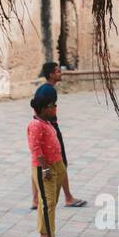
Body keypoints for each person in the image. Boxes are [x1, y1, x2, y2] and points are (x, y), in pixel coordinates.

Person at [29, 61, 86, 210]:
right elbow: (48, 112)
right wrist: (50, 129)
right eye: (58, 71)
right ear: (51, 75)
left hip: (42, 126)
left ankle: (35, 200)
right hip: (50, 128)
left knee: (38, 164)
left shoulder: (42, 89)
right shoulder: (50, 91)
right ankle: (68, 197)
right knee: (61, 163)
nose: (60, 73)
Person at [28, 87, 68, 237]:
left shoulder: (47, 122)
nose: (55, 109)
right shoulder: (36, 125)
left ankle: (45, 233)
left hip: (56, 164)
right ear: (44, 109)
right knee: (48, 203)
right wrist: (45, 169)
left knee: (50, 201)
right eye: (52, 106)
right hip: (44, 167)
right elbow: (36, 149)